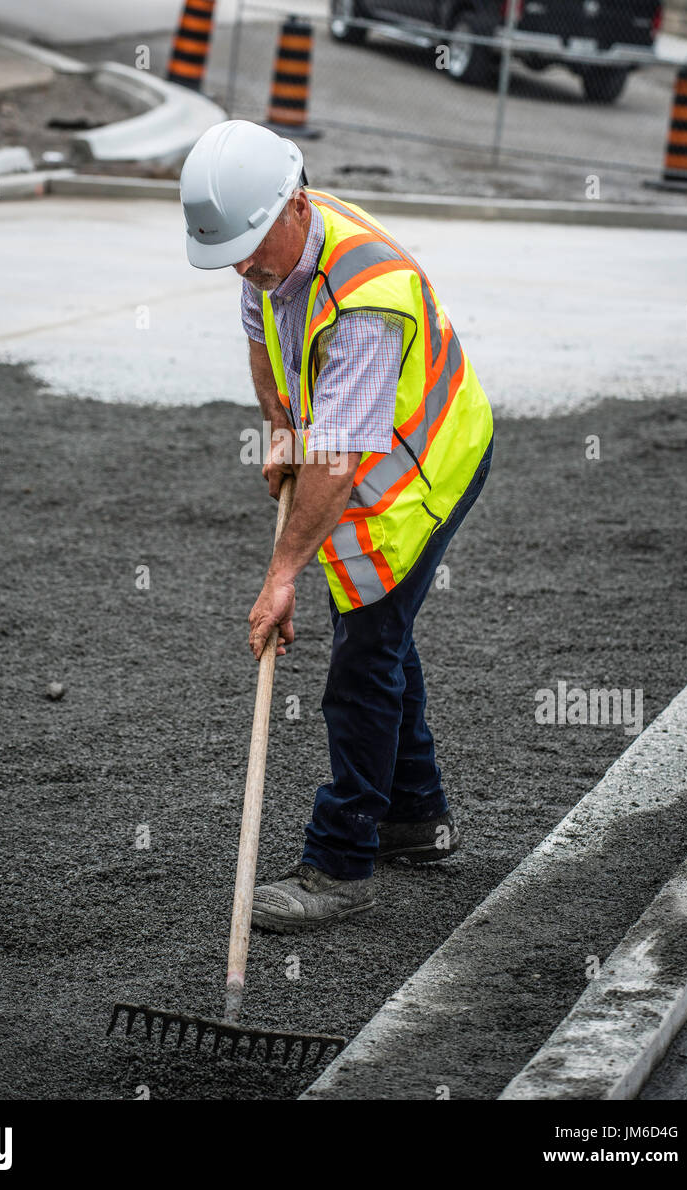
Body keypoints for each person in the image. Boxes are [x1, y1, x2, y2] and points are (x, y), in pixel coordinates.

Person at [180, 120, 493, 932]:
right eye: (234, 260)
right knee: (380, 639)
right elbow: (261, 338)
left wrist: (281, 575)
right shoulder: (269, 247)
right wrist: (278, 425)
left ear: (293, 204)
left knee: (361, 658)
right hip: (359, 456)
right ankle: (415, 820)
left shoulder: (366, 301)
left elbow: (340, 463)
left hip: (425, 467)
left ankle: (341, 864)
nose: (246, 271)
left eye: (252, 253)